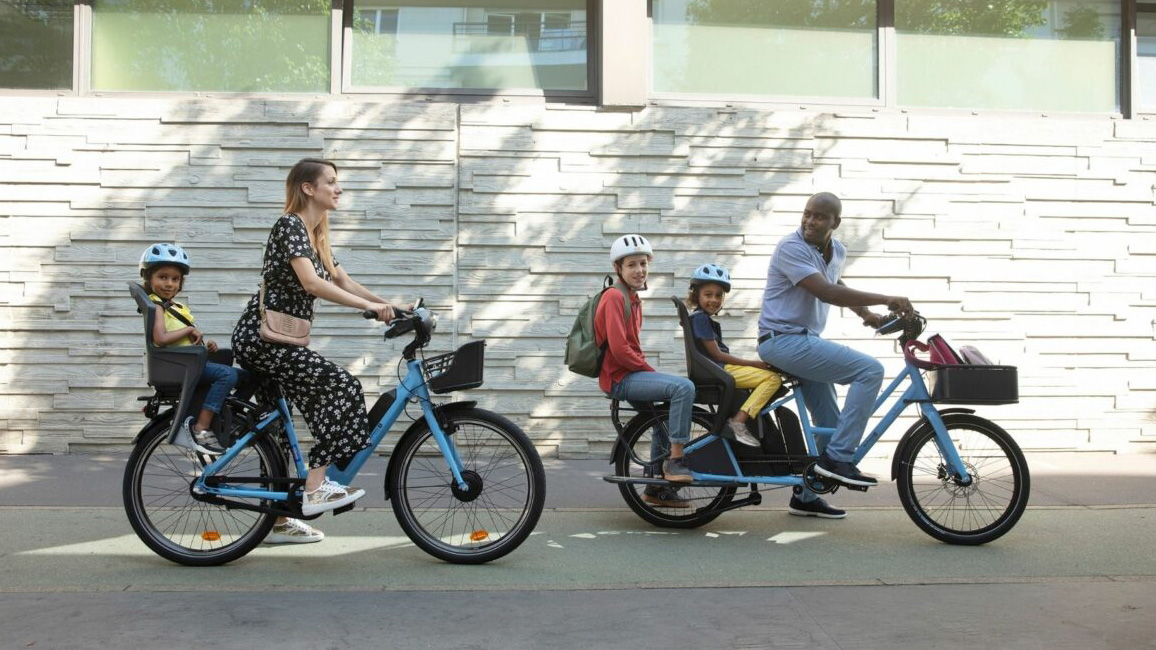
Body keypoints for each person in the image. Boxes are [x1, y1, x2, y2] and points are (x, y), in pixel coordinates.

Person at [231, 157, 402, 522]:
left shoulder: (317, 235)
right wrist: (367, 309)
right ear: (309, 188)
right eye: (332, 182)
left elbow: (343, 281)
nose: (338, 189)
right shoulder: (289, 225)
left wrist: (388, 304)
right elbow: (312, 283)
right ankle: (315, 486)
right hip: (263, 341)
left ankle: (277, 520)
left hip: (282, 342)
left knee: (277, 427)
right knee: (342, 387)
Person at [757, 192, 913, 519]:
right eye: (807, 214)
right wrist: (886, 298)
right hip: (782, 341)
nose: (810, 221)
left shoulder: (836, 250)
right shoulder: (791, 247)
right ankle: (839, 459)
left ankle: (807, 495)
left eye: (819, 217)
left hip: (804, 341)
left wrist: (866, 314)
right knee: (869, 371)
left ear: (835, 223)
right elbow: (826, 291)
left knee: (830, 423)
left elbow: (835, 279)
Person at [595, 235, 697, 508]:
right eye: (632, 265)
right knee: (683, 388)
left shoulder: (632, 298)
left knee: (663, 416)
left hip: (627, 374)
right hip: (619, 379)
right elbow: (619, 351)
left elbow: (631, 349)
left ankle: (655, 489)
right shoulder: (615, 297)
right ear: (619, 268)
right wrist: (649, 370)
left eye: (643, 263)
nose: (639, 270)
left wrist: (647, 370)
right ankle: (676, 461)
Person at [139, 243, 240, 456]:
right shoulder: (157, 305)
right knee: (226, 374)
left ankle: (232, 419)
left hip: (191, 361)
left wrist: (206, 344)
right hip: (178, 367)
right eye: (162, 277)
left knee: (244, 376)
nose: (169, 284)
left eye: (175, 279)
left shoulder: (178, 308)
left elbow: (188, 337)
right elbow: (161, 338)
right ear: (148, 278)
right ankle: (201, 426)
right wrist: (188, 330)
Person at [685, 263, 781, 448]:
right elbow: (718, 356)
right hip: (718, 371)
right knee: (772, 380)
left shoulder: (701, 318)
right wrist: (755, 364)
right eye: (708, 294)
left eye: (719, 295)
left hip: (718, 369)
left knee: (770, 377)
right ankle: (738, 421)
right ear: (696, 295)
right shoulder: (700, 318)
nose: (714, 299)